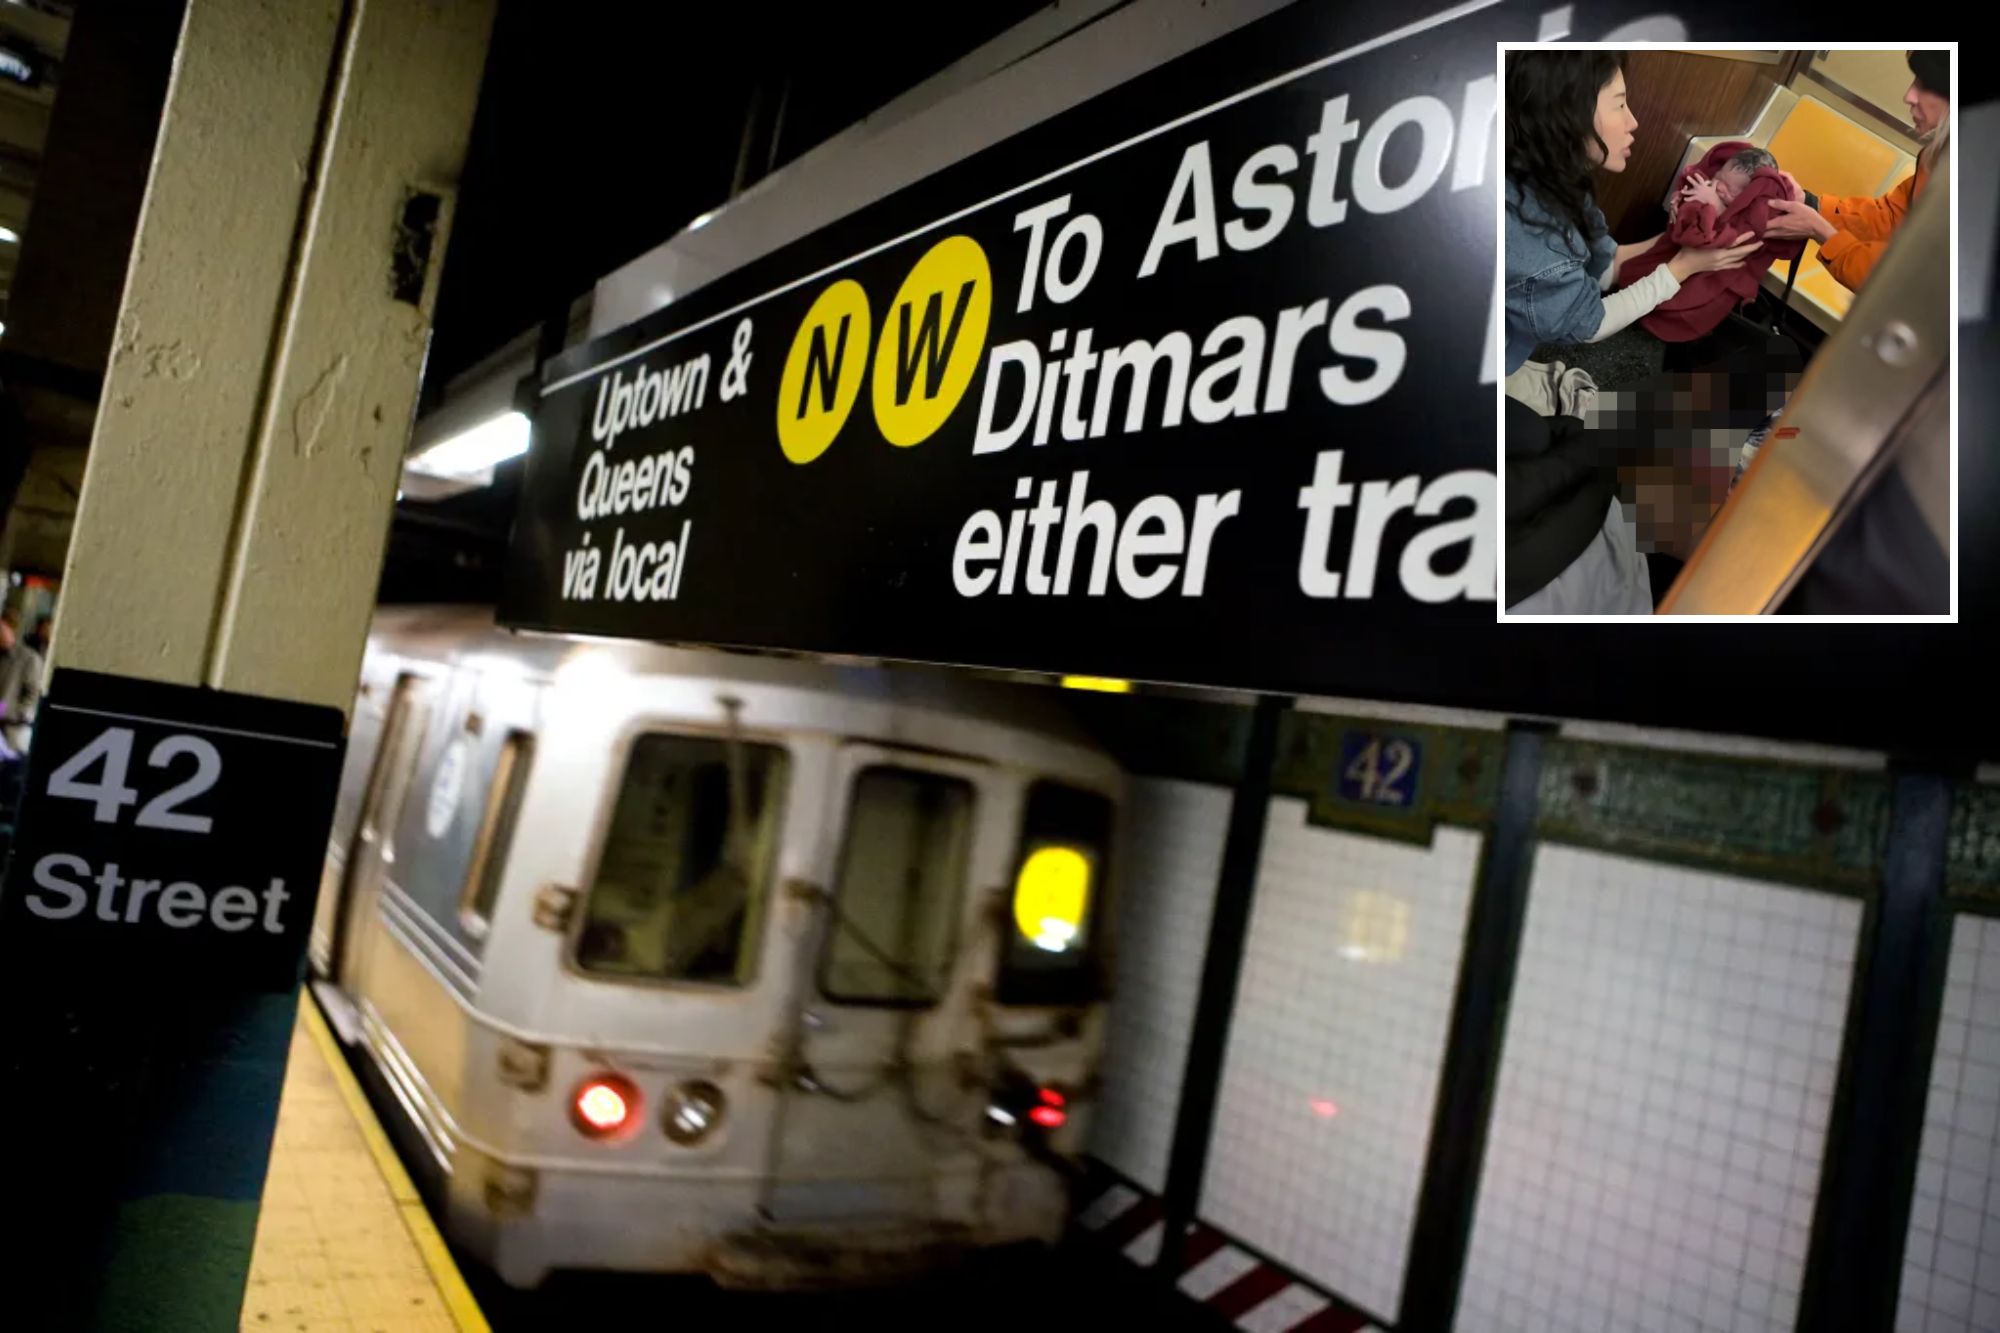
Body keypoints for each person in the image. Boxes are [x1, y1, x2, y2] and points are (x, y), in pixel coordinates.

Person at [1503, 50, 1760, 614]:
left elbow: (1607, 263)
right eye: (1620, 104)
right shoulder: (1523, 233)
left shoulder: (1559, 184)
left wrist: (1683, 246)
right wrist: (1683, 268)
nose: (1635, 121)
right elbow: (1587, 323)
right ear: (1568, 115)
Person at [1764, 49, 1950, 292]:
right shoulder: (1939, 159)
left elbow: (1908, 282)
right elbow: (1893, 218)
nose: (1908, 96)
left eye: (1925, 85)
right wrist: (1812, 204)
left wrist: (1819, 230)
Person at [1617, 143, 1806, 343]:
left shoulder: (1758, 213)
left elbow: (1735, 233)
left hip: (1712, 276)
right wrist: (1681, 198)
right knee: (1640, 270)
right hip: (1675, 256)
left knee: (1680, 308)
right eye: (1718, 179)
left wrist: (1714, 207)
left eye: (1731, 193)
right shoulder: (1713, 183)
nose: (1718, 190)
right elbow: (1692, 182)